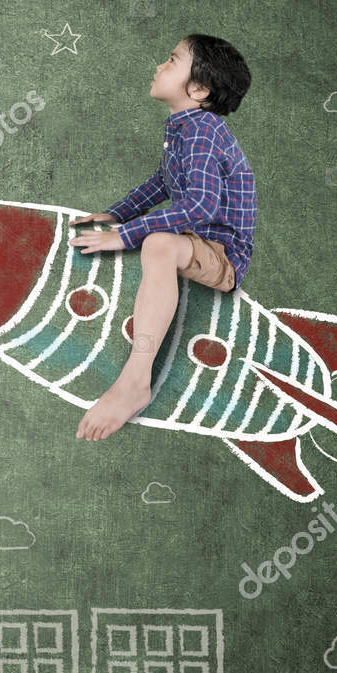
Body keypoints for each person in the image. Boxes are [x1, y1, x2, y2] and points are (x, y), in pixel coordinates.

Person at [69, 33, 256, 441]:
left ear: (199, 89)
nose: (159, 65)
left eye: (172, 61)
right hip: (198, 236)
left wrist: (127, 234)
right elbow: (163, 182)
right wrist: (117, 214)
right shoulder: (185, 126)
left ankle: (136, 380)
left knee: (157, 244)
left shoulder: (204, 132)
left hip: (223, 253)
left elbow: (202, 207)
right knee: (159, 239)